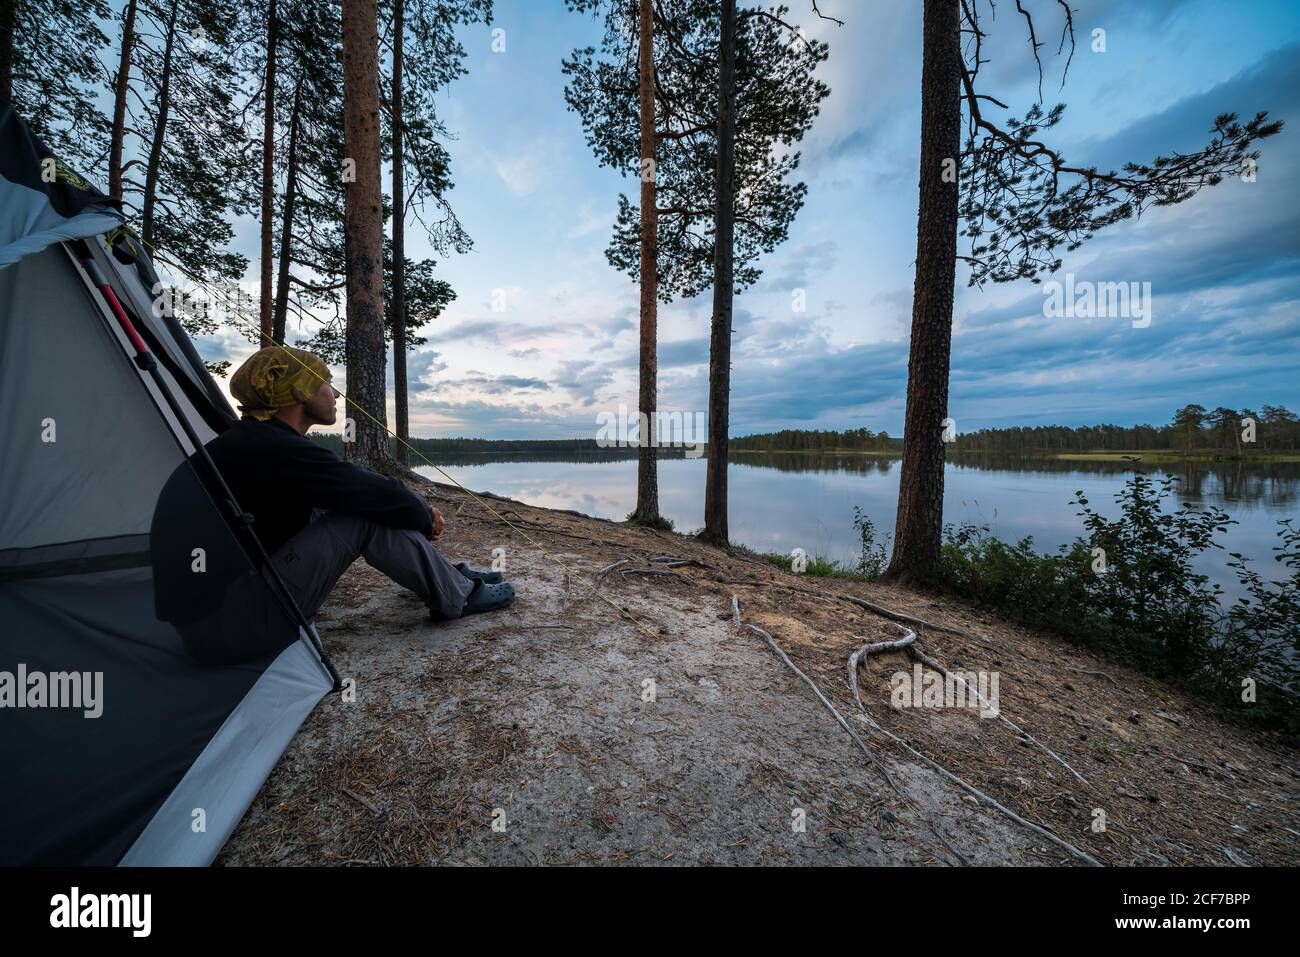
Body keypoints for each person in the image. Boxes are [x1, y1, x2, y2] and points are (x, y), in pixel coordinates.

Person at [152, 346, 513, 666]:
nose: (334, 392)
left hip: (215, 622)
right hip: (227, 632)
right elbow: (381, 495)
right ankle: (457, 596)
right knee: (364, 517)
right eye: (324, 380)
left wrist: (410, 509)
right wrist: (424, 516)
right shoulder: (271, 448)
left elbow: (362, 489)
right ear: (298, 390)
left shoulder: (254, 443)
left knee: (358, 507)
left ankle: (446, 578)